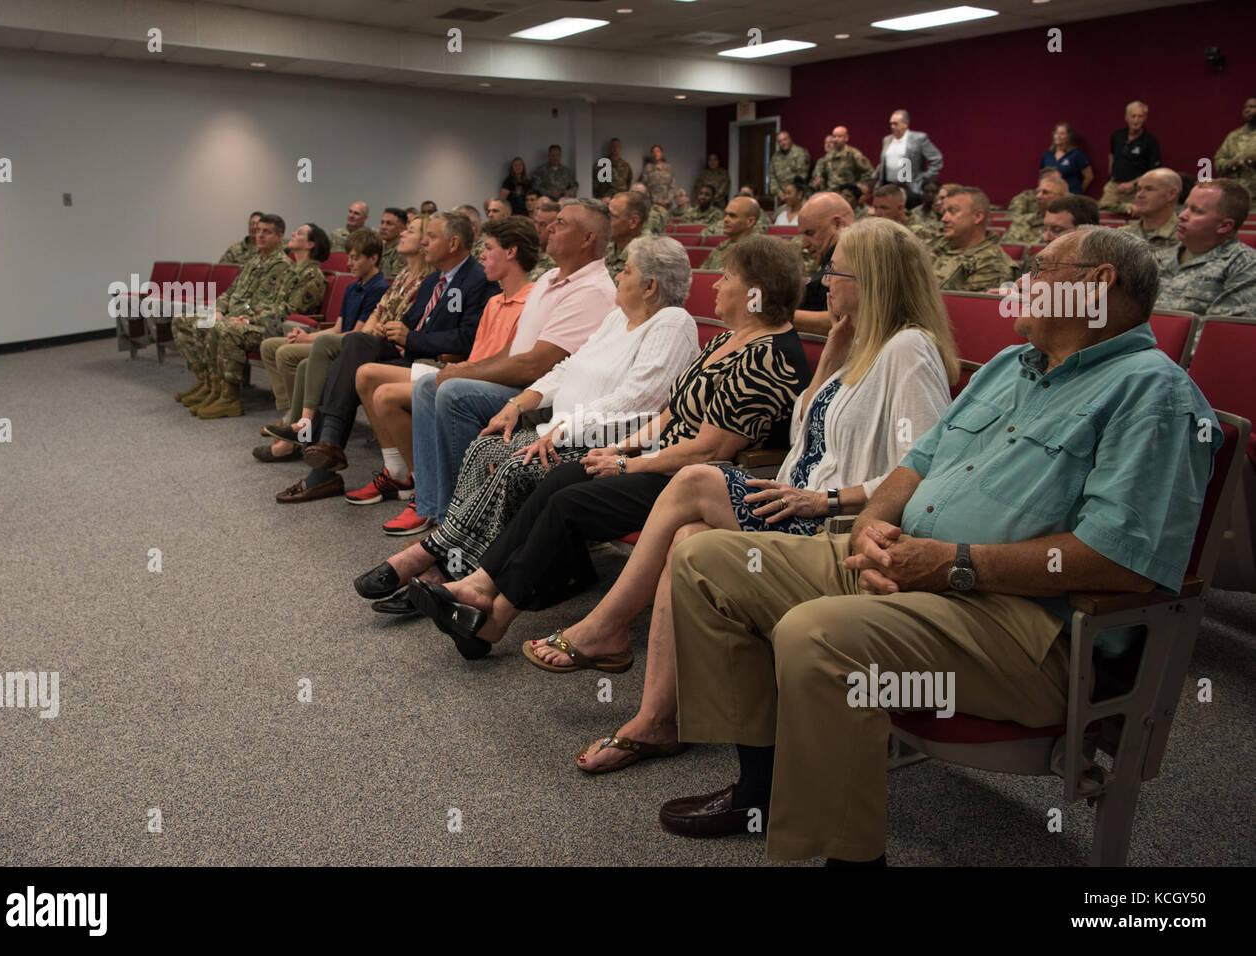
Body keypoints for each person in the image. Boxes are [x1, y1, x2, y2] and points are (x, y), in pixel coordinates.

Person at [658, 225, 1219, 863]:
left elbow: (1122, 562)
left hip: (1022, 630)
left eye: (1040, 268)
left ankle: (846, 856)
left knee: (818, 635)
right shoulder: (1012, 366)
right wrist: (870, 531)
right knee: (706, 560)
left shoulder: (1155, 395)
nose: (1020, 285)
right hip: (912, 570)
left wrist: (953, 565)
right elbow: (914, 467)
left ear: (1097, 285)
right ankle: (758, 789)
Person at [532, 218, 959, 774]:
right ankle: (658, 719)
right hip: (795, 501)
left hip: (835, 525)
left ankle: (606, 628)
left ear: (871, 279)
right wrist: (829, 361)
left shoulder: (909, 350)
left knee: (695, 479)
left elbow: (927, 471)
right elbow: (816, 435)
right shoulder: (860, 343)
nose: (824, 282)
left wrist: (829, 501)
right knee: (687, 539)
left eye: (835, 271)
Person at [407, 234, 812, 660]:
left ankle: (495, 619)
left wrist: (630, 466)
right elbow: (671, 413)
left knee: (571, 503)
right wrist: (621, 451)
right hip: (660, 461)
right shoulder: (726, 340)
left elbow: (708, 450)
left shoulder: (769, 356)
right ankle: (480, 584)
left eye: (726, 277)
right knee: (560, 476)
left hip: (693, 483)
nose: (714, 285)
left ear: (754, 294)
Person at [355, 237, 701, 608]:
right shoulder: (619, 318)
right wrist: (519, 403)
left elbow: (637, 400)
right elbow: (568, 368)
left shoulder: (672, 324)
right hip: (561, 434)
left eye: (627, 270)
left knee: (514, 467)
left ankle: (437, 560)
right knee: (483, 446)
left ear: (650, 287)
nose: (619, 274)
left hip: (610, 447)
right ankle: (449, 564)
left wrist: (563, 429)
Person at [388, 199, 618, 534]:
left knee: (454, 393)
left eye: (563, 224)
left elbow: (534, 366)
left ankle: (465, 523)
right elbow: (515, 350)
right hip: (524, 381)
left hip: (546, 398)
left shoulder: (593, 290)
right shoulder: (550, 277)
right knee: (429, 385)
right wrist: (462, 368)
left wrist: (461, 373)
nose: (551, 227)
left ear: (587, 240)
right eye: (553, 221)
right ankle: (436, 512)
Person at [274, 212, 498, 503]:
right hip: (411, 351)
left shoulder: (477, 281)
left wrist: (411, 337)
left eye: (430, 237)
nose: (425, 242)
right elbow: (412, 320)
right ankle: (329, 442)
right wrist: (391, 328)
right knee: (356, 342)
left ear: (453, 242)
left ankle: (327, 446)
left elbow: (467, 338)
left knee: (358, 365)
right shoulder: (433, 281)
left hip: (440, 361)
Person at [341, 217, 539, 506]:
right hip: (467, 371)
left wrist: (458, 369)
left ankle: (428, 495)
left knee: (395, 392)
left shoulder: (532, 300)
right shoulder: (493, 301)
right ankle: (418, 486)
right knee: (368, 375)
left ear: (510, 252)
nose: (481, 254)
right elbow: (476, 353)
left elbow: (514, 362)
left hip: (495, 384)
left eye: (489, 248)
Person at [257, 224, 415, 462]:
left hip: (361, 346)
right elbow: (339, 327)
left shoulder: (379, 288)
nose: (348, 264)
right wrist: (307, 336)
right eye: (348, 257)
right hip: (345, 340)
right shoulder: (352, 288)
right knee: (296, 361)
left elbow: (356, 334)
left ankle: (300, 423)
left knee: (296, 356)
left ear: (373, 259)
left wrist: (312, 339)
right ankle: (294, 420)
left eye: (355, 258)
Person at [197, 222, 331, 420]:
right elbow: (270, 305)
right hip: (267, 323)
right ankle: (215, 389)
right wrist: (248, 318)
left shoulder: (311, 275)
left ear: (311, 244)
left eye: (300, 233)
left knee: (230, 330)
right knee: (220, 325)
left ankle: (230, 399)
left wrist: (249, 320)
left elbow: (286, 313)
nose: (293, 234)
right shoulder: (292, 270)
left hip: (282, 331)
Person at [173, 214, 289, 409]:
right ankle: (207, 384)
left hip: (253, 323)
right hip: (230, 315)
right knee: (182, 320)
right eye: (258, 230)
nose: (259, 235)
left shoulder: (282, 266)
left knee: (219, 328)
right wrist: (218, 310)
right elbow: (231, 291)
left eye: (266, 232)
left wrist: (244, 318)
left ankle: (228, 397)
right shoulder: (253, 261)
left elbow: (274, 306)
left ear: (279, 236)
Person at [1154, 179, 1256, 317]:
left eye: (1196, 211)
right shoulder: (1159, 259)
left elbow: (1220, 330)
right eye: (1186, 207)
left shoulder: (1246, 266)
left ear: (1224, 226)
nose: (1182, 215)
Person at [934, 187, 1019, 291]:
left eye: (952, 211)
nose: (944, 219)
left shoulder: (992, 264)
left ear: (978, 217)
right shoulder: (936, 243)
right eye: (944, 212)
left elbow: (960, 305)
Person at [795, 193, 854, 335]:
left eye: (810, 233)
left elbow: (845, 319)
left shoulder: (858, 258)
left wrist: (772, 316)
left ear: (838, 224)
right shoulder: (831, 259)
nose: (804, 244)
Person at [1099, 101, 1161, 213]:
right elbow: (1111, 156)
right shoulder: (1117, 135)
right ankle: (1124, 207)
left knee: (1136, 212)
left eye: (1140, 116)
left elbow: (1153, 171)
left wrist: (1133, 184)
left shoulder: (1151, 141)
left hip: (1136, 189)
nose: (1136, 120)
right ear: (1126, 117)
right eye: (1133, 116)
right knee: (1103, 208)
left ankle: (1127, 207)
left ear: (1145, 118)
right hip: (1114, 185)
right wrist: (1111, 175)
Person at [873, 110, 943, 207]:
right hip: (888, 185)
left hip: (909, 187)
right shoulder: (887, 140)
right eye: (891, 124)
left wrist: (925, 178)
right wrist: (875, 177)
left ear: (905, 124)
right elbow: (884, 162)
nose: (892, 126)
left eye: (895, 124)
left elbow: (936, 158)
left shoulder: (918, 139)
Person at [1119, 168, 1182, 248]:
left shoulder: (1185, 238)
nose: (1140, 195)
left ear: (1171, 194)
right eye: (1138, 189)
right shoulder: (1123, 235)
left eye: (1149, 189)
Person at [1002, 171, 1068, 245]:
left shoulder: (1067, 225)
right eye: (1038, 192)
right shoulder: (1022, 221)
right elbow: (1009, 248)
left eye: (1045, 192)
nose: (1038, 196)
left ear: (1061, 197)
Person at [701, 197, 762, 273]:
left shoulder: (759, 252)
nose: (726, 219)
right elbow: (704, 274)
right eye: (725, 214)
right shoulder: (721, 247)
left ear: (750, 221)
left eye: (732, 216)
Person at [1215, 97, 1256, 202]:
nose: (1247, 110)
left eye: (1252, 107)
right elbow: (1218, 160)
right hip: (1238, 197)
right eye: (1245, 107)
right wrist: (1231, 164)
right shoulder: (1234, 136)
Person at [872, 183, 938, 245]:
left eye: (884, 208)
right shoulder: (874, 228)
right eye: (875, 208)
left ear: (900, 208)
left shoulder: (918, 232)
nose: (878, 213)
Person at [810, 126, 872, 192]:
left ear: (846, 138)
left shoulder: (853, 154)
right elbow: (821, 176)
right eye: (834, 136)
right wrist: (819, 183)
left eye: (839, 136)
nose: (836, 139)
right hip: (831, 193)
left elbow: (869, 173)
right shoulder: (828, 156)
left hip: (847, 195)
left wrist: (858, 187)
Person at [604, 190, 649, 279]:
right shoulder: (606, 246)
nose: (605, 221)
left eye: (612, 217)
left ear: (633, 221)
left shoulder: (649, 254)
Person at [1041, 122, 1093, 195]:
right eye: (1056, 133)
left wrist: (1077, 193)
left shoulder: (1076, 154)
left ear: (1069, 136)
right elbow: (1043, 177)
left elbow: (1089, 177)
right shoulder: (1047, 155)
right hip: (1051, 197)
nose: (1058, 136)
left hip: (1070, 196)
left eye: (1062, 134)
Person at [768, 131, 811, 201]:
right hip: (782, 197)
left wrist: (790, 193)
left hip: (799, 196)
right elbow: (772, 177)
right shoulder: (775, 157)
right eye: (780, 141)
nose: (783, 143)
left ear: (790, 139)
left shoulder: (800, 153)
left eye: (785, 139)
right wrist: (779, 193)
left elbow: (802, 176)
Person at [529, 200, 559, 281]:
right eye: (536, 223)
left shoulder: (558, 260)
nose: (537, 229)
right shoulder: (530, 251)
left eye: (543, 225)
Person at [378, 207, 409, 279]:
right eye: (382, 222)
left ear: (402, 228)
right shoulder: (379, 247)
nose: (383, 227)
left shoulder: (402, 251)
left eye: (389, 223)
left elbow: (393, 281)